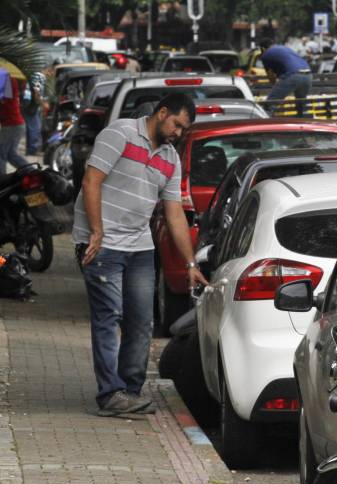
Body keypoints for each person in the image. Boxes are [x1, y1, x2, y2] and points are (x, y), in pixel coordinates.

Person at [72, 93, 208, 417]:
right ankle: (110, 394)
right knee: (109, 317)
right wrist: (97, 231)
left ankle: (130, 391)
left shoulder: (171, 158)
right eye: (176, 124)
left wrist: (190, 263)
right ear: (162, 113)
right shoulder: (119, 134)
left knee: (142, 321)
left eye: (183, 129)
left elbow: (174, 214)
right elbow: (92, 181)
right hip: (100, 245)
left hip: (140, 247)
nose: (178, 133)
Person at [258, 37, 312, 117]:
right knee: (301, 106)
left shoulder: (266, 55)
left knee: (269, 105)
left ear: (262, 48)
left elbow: (271, 78)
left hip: (293, 76)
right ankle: (303, 124)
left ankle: (264, 125)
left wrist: (277, 89)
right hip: (308, 74)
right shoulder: (285, 48)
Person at [0, 78, 30, 173]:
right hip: (14, 124)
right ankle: (33, 172)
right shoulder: (8, 79)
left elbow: (5, 100)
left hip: (12, 125)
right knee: (11, 155)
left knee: (1, 153)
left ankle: (2, 181)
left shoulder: (7, 80)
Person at [22, 71, 46, 155]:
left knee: (30, 127)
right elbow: (37, 90)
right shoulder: (40, 76)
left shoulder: (32, 74)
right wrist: (41, 102)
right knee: (35, 127)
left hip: (26, 102)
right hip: (31, 104)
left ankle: (29, 149)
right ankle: (32, 149)